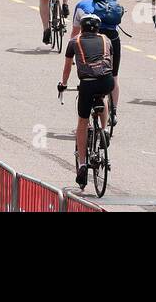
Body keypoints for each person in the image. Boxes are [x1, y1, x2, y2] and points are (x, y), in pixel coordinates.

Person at [58, 13, 116, 191]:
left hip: (87, 84)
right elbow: (110, 64)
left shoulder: (74, 41)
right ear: (98, 28)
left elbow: (68, 66)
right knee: (103, 98)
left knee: (83, 121)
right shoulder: (107, 40)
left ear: (81, 27)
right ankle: (104, 129)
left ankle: (82, 164)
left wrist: (63, 84)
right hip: (107, 81)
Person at [71, 0, 125, 113]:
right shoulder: (111, 3)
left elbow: (75, 33)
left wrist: (72, 55)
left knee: (89, 75)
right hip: (113, 40)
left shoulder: (81, 5)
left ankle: (88, 117)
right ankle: (113, 112)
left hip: (94, 41)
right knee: (113, 76)